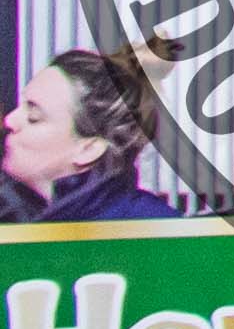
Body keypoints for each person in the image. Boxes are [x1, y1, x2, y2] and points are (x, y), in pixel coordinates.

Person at [1, 48, 184, 224]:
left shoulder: (153, 235)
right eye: (21, 104)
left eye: (34, 116)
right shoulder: (17, 212)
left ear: (88, 149)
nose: (9, 120)